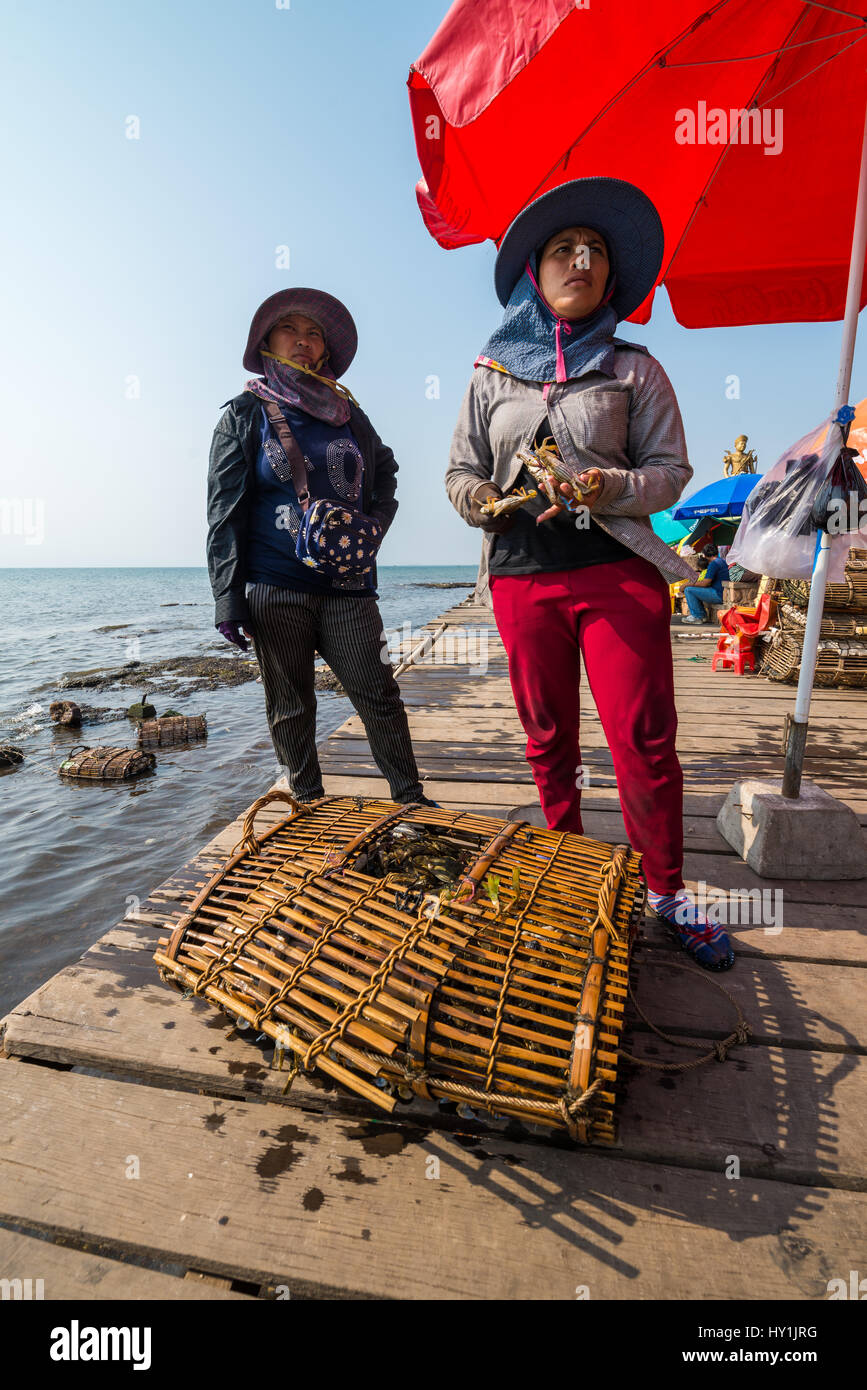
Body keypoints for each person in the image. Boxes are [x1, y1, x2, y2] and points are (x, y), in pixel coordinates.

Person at [445, 177, 734, 970]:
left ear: (611, 279)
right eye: (564, 249)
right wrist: (481, 497)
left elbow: (671, 472)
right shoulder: (488, 374)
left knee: (642, 739)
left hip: (614, 572)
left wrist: (609, 486)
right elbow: (459, 471)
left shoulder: (636, 368)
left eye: (596, 251)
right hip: (520, 576)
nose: (580, 259)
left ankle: (667, 893)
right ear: (533, 272)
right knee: (548, 741)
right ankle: (567, 879)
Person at [207, 287, 434, 807]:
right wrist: (228, 598)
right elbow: (223, 512)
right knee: (290, 705)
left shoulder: (348, 413)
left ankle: (411, 798)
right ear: (267, 341)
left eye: (314, 334)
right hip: (273, 585)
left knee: (378, 693)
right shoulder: (244, 414)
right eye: (291, 330)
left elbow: (386, 473)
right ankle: (306, 802)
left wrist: (375, 527)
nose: (304, 342)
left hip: (349, 586)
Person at [682, 543, 730, 624]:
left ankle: (698, 616)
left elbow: (705, 583)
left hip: (718, 594)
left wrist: (686, 584)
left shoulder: (714, 564)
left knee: (688, 590)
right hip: (723, 594)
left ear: (705, 555)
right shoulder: (722, 561)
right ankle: (700, 615)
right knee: (691, 589)